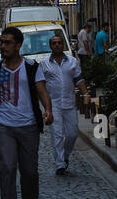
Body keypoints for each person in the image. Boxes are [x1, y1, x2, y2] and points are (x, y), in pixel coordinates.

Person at [0, 26, 53, 199]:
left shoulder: (31, 67)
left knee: (29, 171)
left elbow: (41, 90)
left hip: (28, 125)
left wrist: (48, 110)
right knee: (6, 168)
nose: (3, 46)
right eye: (1, 42)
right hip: (3, 125)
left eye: (7, 42)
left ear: (18, 45)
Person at [36, 32, 90, 175]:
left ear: (63, 44)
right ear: (50, 46)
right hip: (53, 105)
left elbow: (79, 79)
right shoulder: (44, 64)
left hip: (69, 103)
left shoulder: (72, 61)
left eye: (59, 42)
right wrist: (45, 106)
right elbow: (40, 85)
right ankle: (60, 164)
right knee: (57, 134)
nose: (57, 45)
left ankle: (65, 156)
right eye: (54, 43)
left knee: (72, 134)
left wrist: (85, 94)